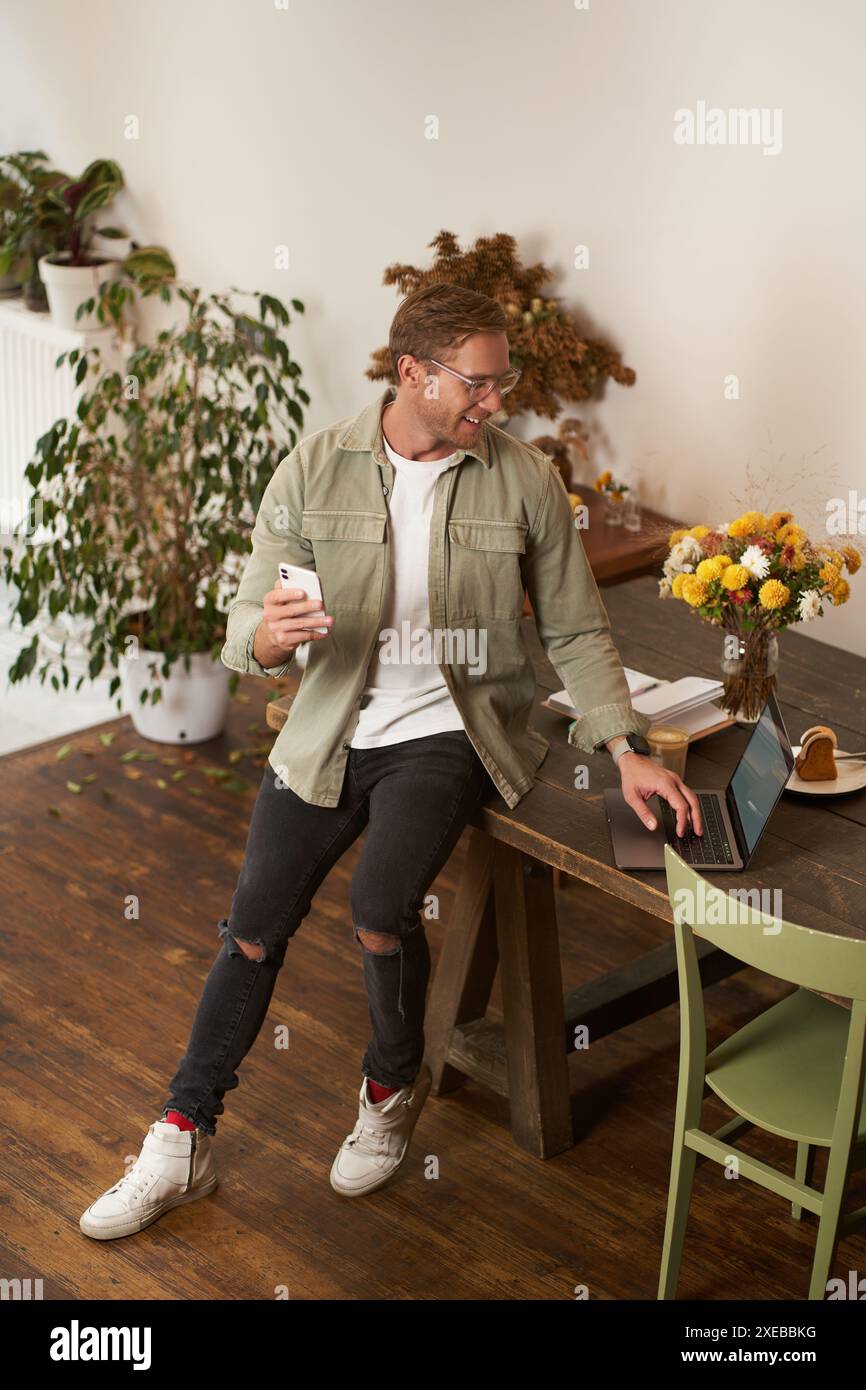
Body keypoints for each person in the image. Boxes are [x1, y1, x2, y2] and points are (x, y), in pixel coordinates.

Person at [80, 282, 702, 1240]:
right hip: (330, 727)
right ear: (413, 374)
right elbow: (244, 625)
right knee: (250, 929)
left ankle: (389, 1088)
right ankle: (181, 1136)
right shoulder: (313, 468)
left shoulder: (523, 478)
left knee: (380, 908)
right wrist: (273, 637)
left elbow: (578, 630)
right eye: (479, 385)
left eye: (504, 384)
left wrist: (625, 748)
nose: (497, 404)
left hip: (448, 730)